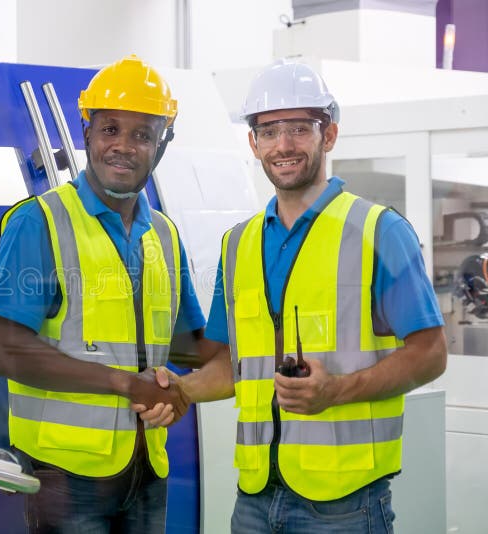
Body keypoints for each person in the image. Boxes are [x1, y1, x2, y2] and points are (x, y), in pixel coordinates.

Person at [137, 59, 447, 532]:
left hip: (345, 504)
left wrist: (337, 389)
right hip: (256, 497)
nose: (283, 145)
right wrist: (180, 390)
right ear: (252, 142)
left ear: (329, 134)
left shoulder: (378, 231)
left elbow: (430, 354)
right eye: (269, 130)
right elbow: (233, 365)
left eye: (299, 128)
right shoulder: (237, 244)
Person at [0, 54, 213, 533]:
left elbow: (190, 344)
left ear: (161, 145)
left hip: (146, 464)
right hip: (67, 476)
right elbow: (4, 351)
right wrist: (127, 384)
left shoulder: (164, 236)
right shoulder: (39, 221)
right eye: (110, 129)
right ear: (86, 132)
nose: (123, 147)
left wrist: (261, 336)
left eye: (142, 134)